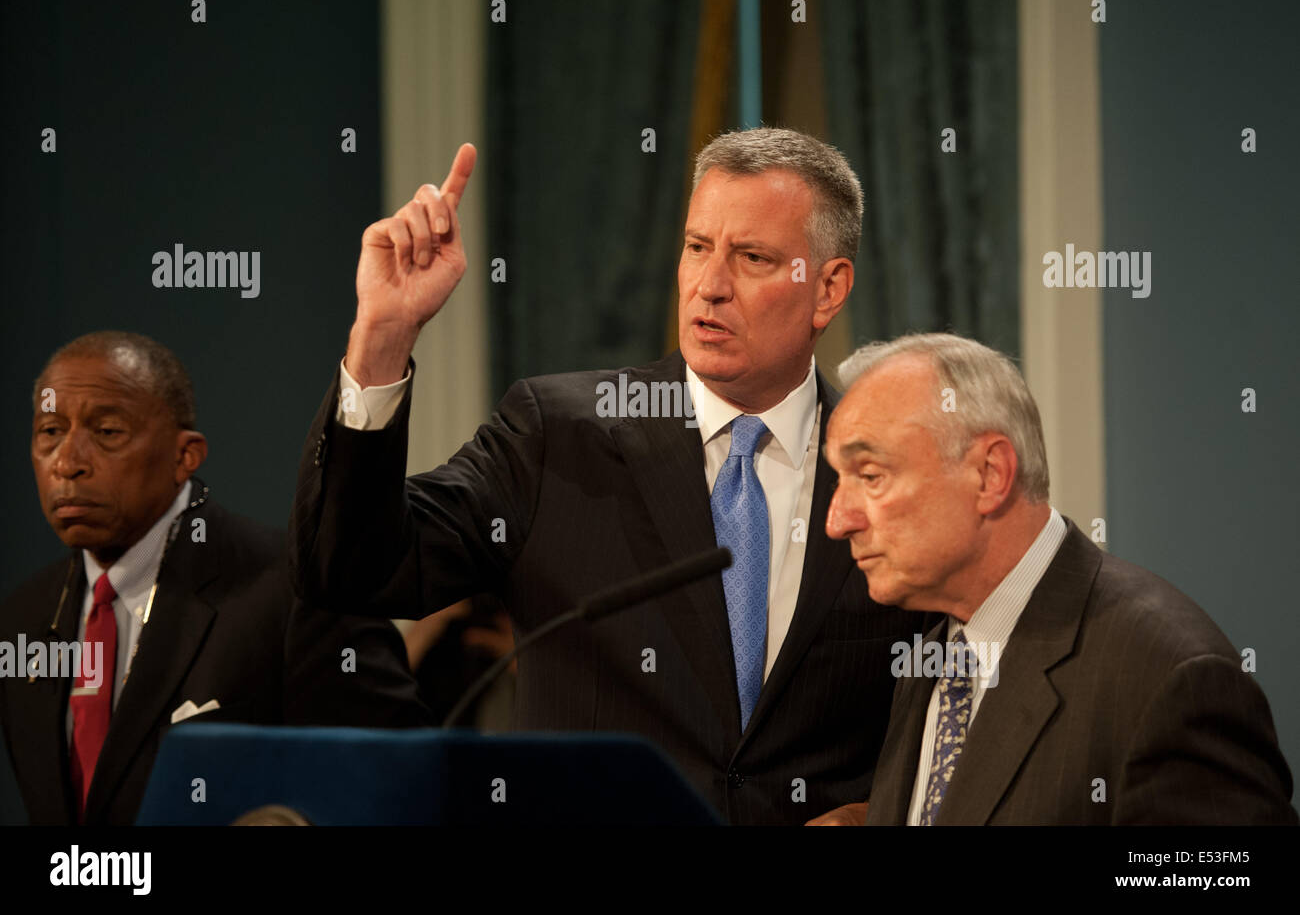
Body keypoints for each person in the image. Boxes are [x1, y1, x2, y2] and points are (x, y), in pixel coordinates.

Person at [290, 128, 926, 825]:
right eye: (696, 248)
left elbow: (956, 716)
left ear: (828, 289)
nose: (709, 287)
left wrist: (890, 811)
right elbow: (352, 571)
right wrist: (382, 339)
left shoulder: (893, 468)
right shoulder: (556, 434)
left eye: (751, 258)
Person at [822, 332, 1296, 825]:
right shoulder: (936, 650)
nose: (838, 520)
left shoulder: (1168, 675)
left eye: (871, 476)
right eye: (839, 479)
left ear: (989, 474)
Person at [0, 332, 431, 825]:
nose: (68, 463)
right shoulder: (21, 621)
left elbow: (401, 783)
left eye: (108, 432)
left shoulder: (300, 592)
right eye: (50, 431)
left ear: (185, 456)